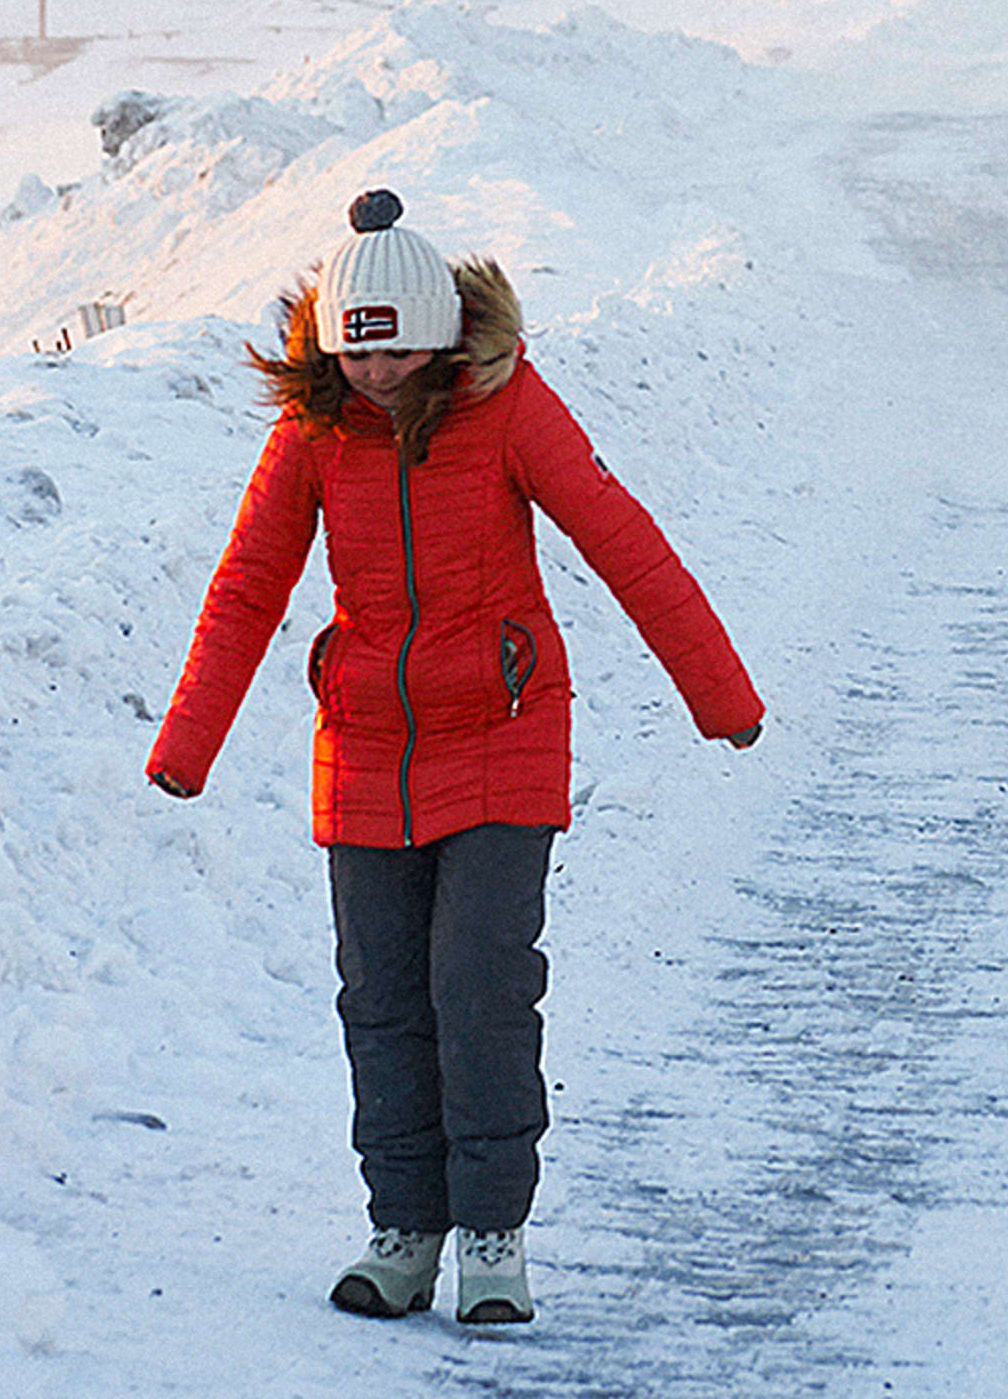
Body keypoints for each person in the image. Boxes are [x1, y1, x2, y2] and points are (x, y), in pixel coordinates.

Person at [148, 190, 766, 1327]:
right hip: (366, 747)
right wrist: (189, 745)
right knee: (381, 999)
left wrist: (719, 696)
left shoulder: (507, 405)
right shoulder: (315, 431)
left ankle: (491, 1233)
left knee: (478, 984)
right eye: (355, 359)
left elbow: (620, 539)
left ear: (440, 335)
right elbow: (248, 584)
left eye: (397, 357)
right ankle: (405, 1228)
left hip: (504, 726)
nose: (375, 380)